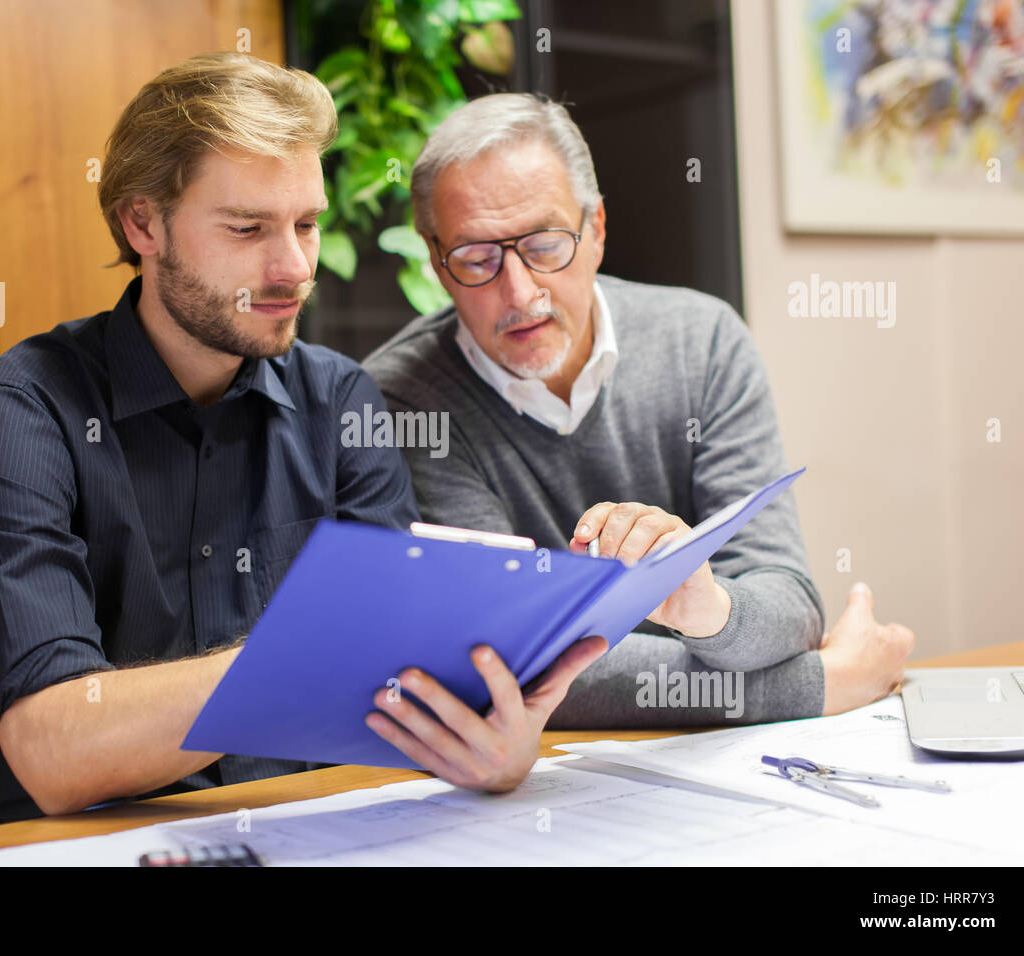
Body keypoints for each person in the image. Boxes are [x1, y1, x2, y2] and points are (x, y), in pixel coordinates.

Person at [0, 56, 605, 824]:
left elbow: (396, 681)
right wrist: (316, 652)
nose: (293, 267)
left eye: (308, 224)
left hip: (312, 828)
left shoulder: (339, 400)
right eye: (248, 227)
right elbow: (54, 751)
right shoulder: (19, 419)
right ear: (142, 223)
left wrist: (490, 745)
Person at [363, 93, 915, 728]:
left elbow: (788, 602)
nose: (521, 292)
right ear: (436, 263)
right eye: (476, 259)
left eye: (546, 244)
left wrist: (708, 608)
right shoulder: (404, 399)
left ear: (596, 228)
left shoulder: (702, 342)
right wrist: (822, 684)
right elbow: (505, 662)